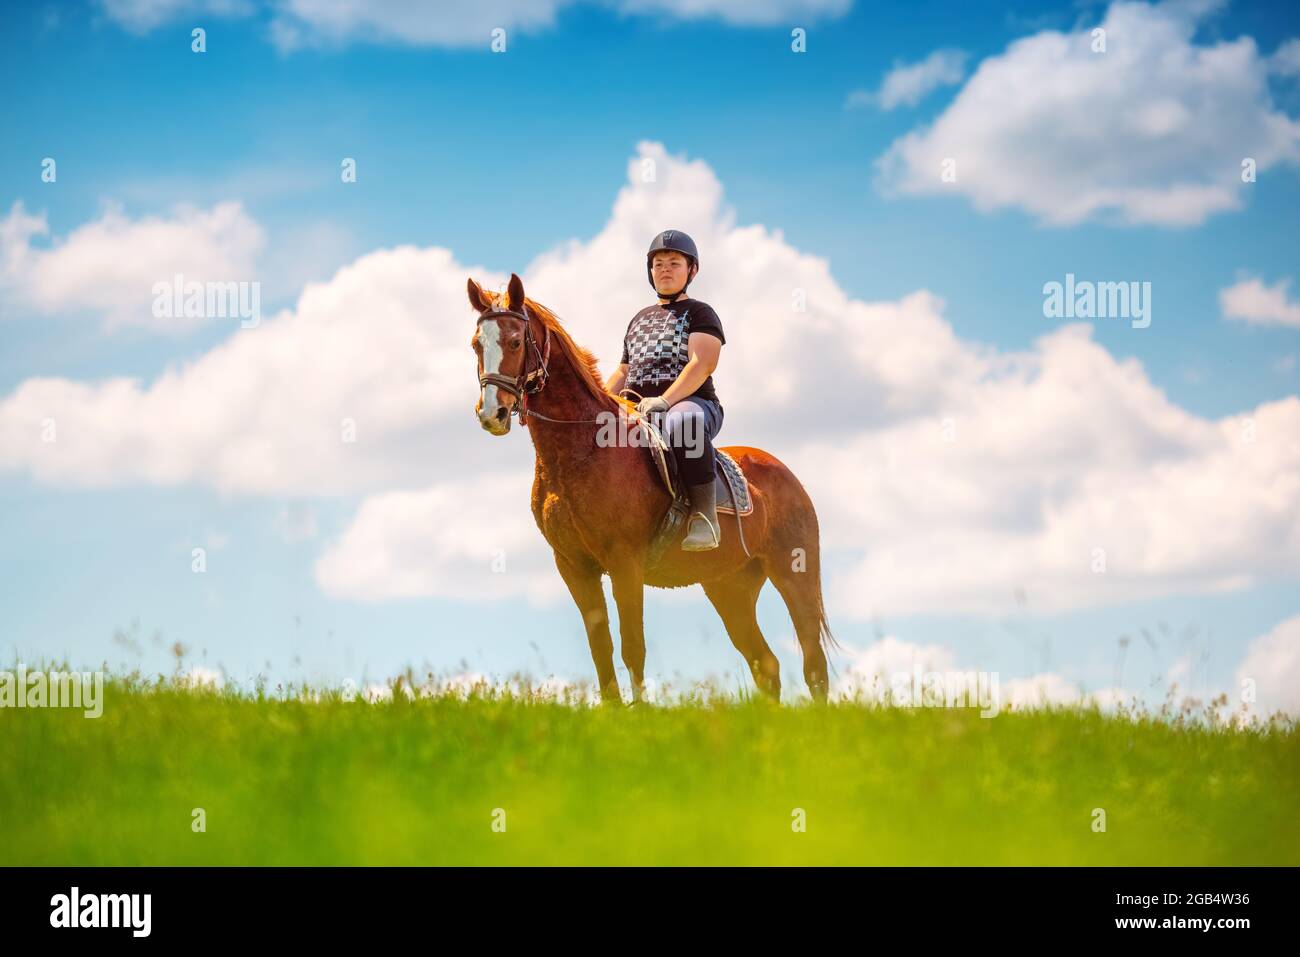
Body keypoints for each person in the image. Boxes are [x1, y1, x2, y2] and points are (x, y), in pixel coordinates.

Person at [604, 229, 726, 551]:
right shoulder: (638, 319)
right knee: (599, 433)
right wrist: (598, 402)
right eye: (658, 264)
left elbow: (702, 364)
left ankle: (705, 518)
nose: (665, 270)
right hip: (639, 410)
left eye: (674, 263)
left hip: (693, 405)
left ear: (692, 271)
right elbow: (624, 371)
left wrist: (665, 400)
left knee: (681, 423)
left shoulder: (700, 313)